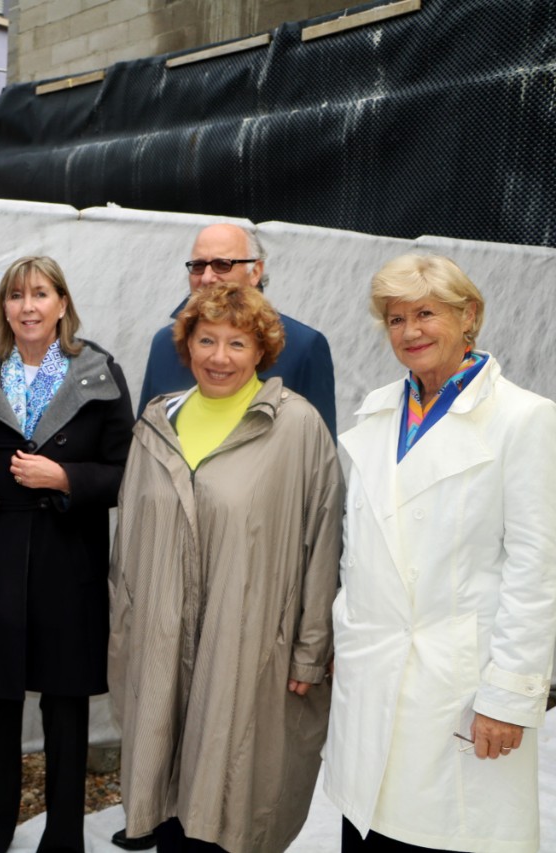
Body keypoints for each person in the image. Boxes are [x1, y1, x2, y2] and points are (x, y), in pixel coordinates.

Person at [321, 255, 556, 852]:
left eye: (426, 313)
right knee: (369, 829)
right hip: (372, 677)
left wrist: (509, 697)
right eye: (396, 319)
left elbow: (536, 570)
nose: (410, 332)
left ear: (468, 316)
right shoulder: (376, 414)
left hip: (458, 688)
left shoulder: (524, 420)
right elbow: (360, 554)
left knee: (446, 835)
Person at [109, 281, 342, 853]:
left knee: (231, 798)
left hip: (246, 648)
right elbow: (128, 547)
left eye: (237, 343)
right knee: (164, 797)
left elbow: (324, 545)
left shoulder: (296, 429)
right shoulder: (156, 425)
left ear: (262, 349)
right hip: (160, 646)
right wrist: (127, 631)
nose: (218, 356)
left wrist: (311, 650)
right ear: (185, 347)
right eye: (206, 340)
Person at [0, 256, 133, 852]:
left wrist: (65, 478)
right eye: (16, 295)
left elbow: (128, 473)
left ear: (62, 304)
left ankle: (63, 840)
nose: (28, 306)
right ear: (4, 306)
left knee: (66, 711)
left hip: (68, 563)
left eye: (41, 294)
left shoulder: (98, 372)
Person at [134, 223, 336, 443]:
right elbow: (145, 442)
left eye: (222, 264)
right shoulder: (165, 344)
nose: (207, 277)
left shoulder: (303, 347)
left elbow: (319, 458)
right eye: (199, 266)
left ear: (255, 272)